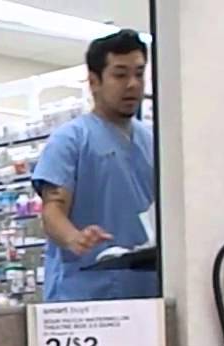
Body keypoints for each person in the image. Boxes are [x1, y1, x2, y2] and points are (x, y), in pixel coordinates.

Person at [33, 29, 156, 302]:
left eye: (139, 73)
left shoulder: (153, 141)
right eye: (120, 74)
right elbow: (53, 211)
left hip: (145, 291)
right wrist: (74, 238)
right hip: (83, 296)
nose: (133, 84)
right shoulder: (71, 140)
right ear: (94, 81)